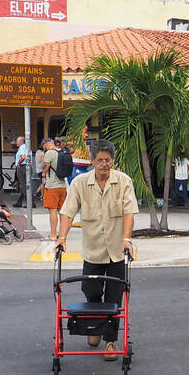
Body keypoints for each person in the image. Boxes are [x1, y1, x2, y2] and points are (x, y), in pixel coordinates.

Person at [54, 140, 138, 361]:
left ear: (113, 161)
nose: (104, 164)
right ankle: (97, 327)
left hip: (117, 251)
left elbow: (129, 212)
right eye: (99, 160)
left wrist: (127, 239)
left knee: (114, 294)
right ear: (92, 161)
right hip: (93, 249)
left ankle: (110, 341)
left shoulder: (123, 182)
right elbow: (68, 212)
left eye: (107, 160)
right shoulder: (80, 183)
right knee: (90, 290)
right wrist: (61, 237)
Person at [41, 137, 67, 241]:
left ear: (47, 144)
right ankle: (62, 235)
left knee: (53, 211)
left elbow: (46, 168)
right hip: (62, 185)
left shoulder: (50, 153)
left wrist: (43, 158)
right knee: (62, 211)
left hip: (52, 186)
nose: (44, 148)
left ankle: (52, 235)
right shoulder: (63, 152)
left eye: (44, 146)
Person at [12, 136, 30, 208]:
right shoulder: (26, 147)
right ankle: (20, 202)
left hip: (22, 167)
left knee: (24, 185)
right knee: (25, 185)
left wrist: (19, 163)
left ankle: (29, 203)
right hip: (25, 166)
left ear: (20, 142)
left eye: (17, 141)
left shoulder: (22, 147)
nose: (16, 142)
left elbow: (23, 156)